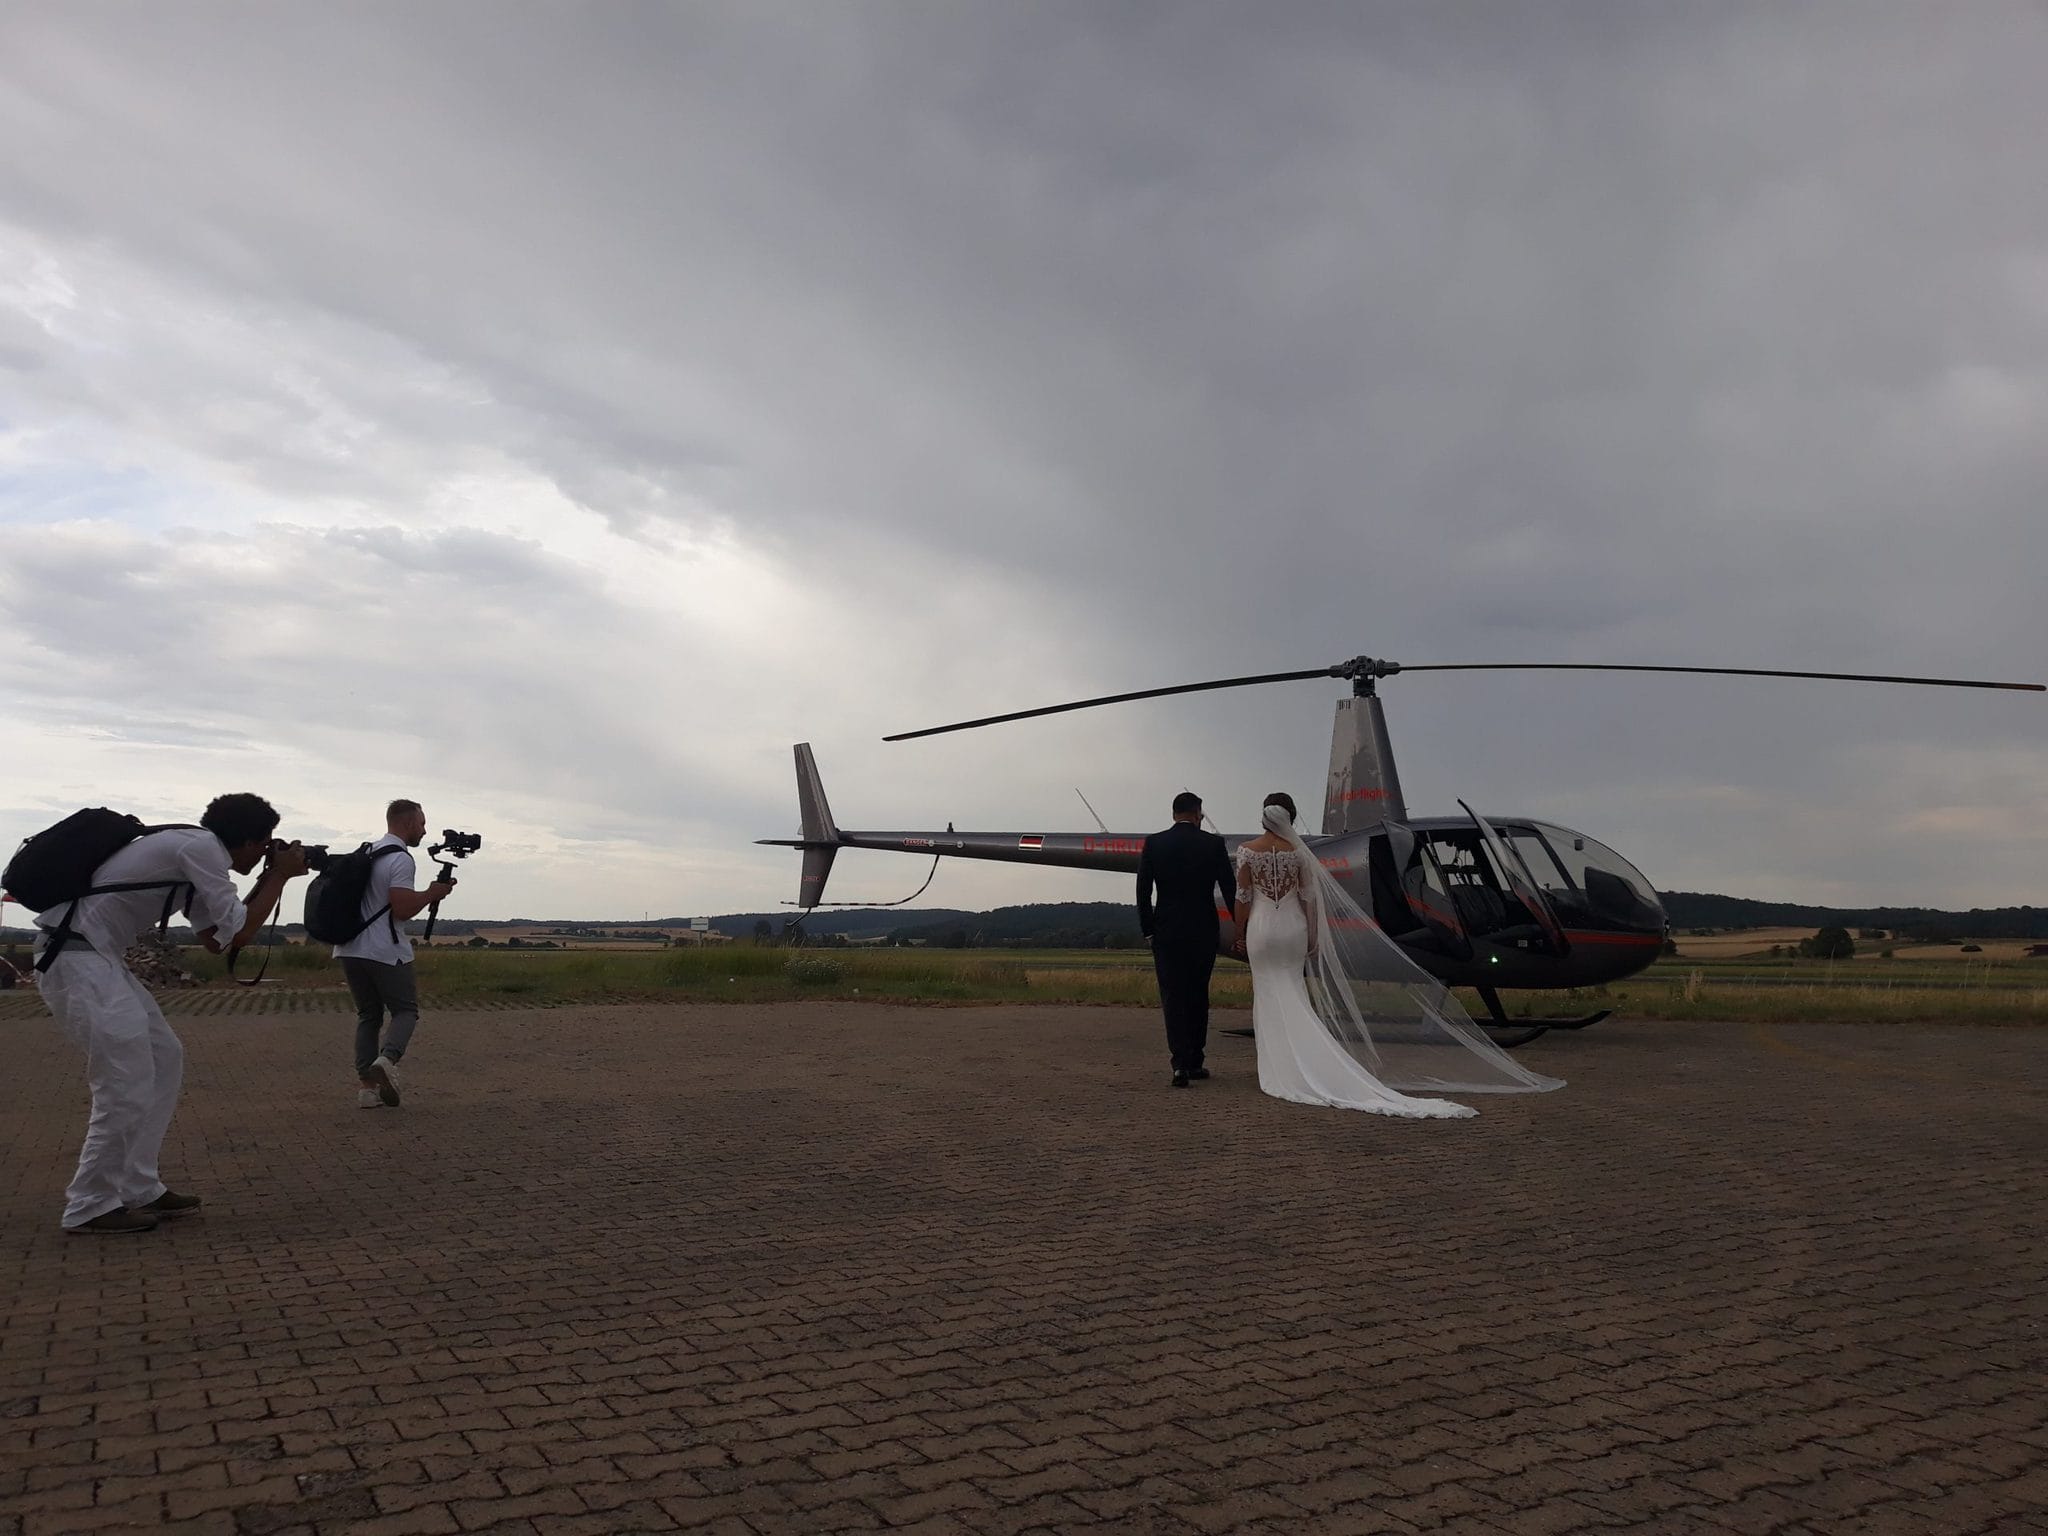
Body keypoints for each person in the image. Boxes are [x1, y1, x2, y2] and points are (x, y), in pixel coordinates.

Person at [32, 794, 308, 1234]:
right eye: (264, 845)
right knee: (124, 1080)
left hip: (96, 959)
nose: (264, 854)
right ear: (246, 839)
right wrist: (278, 877)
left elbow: (220, 940)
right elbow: (238, 928)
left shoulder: (194, 856)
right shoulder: (200, 849)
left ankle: (138, 1186)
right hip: (76, 959)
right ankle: (90, 1203)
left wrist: (271, 876)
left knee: (164, 1057)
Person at [1235, 791, 1562, 1116]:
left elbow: (1243, 897)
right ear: (1289, 817)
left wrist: (1239, 933)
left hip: (1263, 930)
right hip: (1293, 929)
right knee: (1294, 991)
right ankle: (1304, 1061)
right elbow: (1308, 898)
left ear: (1264, 816)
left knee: (1268, 994)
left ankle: (1279, 1067)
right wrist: (1314, 935)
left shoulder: (1247, 852)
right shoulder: (1300, 854)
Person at [333, 799, 452, 1108]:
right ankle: (387, 1060)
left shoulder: (368, 853)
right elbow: (401, 908)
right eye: (422, 824)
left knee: (368, 1015)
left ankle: (367, 1089)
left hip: (348, 947)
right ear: (408, 823)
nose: (425, 831)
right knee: (405, 1011)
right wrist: (431, 894)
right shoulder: (401, 859)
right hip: (384, 949)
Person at [1136, 790, 1237, 1088]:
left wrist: (1149, 929)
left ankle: (1179, 1063)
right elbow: (1229, 890)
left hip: (1166, 931)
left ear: (1173, 814)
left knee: (1172, 996)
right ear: (1197, 814)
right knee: (1198, 994)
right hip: (1204, 930)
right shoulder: (1214, 844)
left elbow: (1143, 892)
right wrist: (1241, 925)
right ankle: (1195, 1060)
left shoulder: (1154, 843)